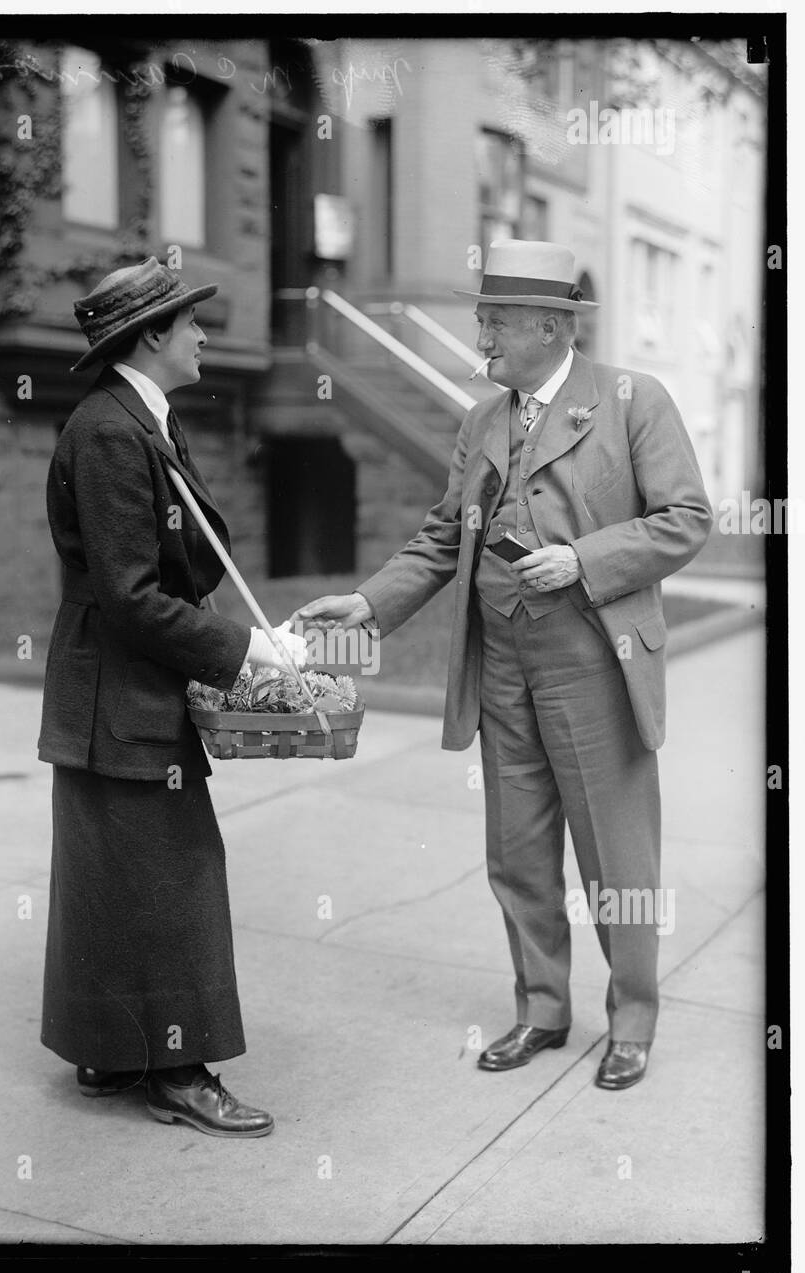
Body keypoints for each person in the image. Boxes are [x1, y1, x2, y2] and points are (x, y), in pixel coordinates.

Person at [293, 240, 713, 1091]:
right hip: (504, 669)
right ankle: (542, 1011)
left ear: (553, 327)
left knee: (616, 857)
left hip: (594, 663)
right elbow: (444, 537)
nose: (478, 330)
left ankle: (631, 1019)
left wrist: (586, 561)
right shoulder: (483, 418)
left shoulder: (635, 401)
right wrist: (370, 604)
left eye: (494, 317)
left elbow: (686, 519)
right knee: (516, 851)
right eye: (481, 315)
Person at [37, 257, 307, 1135]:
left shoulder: (133, 415)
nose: (202, 335)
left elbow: (157, 576)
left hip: (115, 690)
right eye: (190, 322)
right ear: (151, 337)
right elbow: (132, 596)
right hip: (122, 695)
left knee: (116, 875)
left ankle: (109, 1053)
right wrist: (249, 650)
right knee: (172, 875)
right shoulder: (114, 430)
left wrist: (230, 641)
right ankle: (181, 1073)